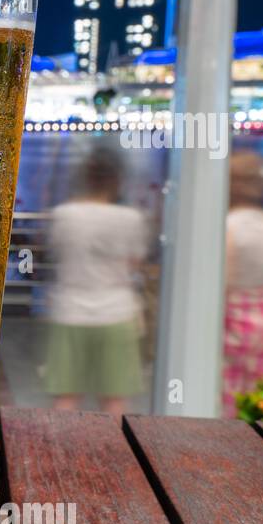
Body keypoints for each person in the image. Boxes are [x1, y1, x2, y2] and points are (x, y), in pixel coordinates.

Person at [43, 146, 148, 417]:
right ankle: (114, 456)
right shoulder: (131, 219)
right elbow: (134, 263)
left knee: (66, 398)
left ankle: (58, 454)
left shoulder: (64, 215)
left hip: (70, 310)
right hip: (116, 311)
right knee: (114, 401)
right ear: (116, 181)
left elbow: (54, 252)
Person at [223, 152, 263, 417]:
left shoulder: (228, 225)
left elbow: (224, 277)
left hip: (233, 316)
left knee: (227, 395)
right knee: (257, 396)